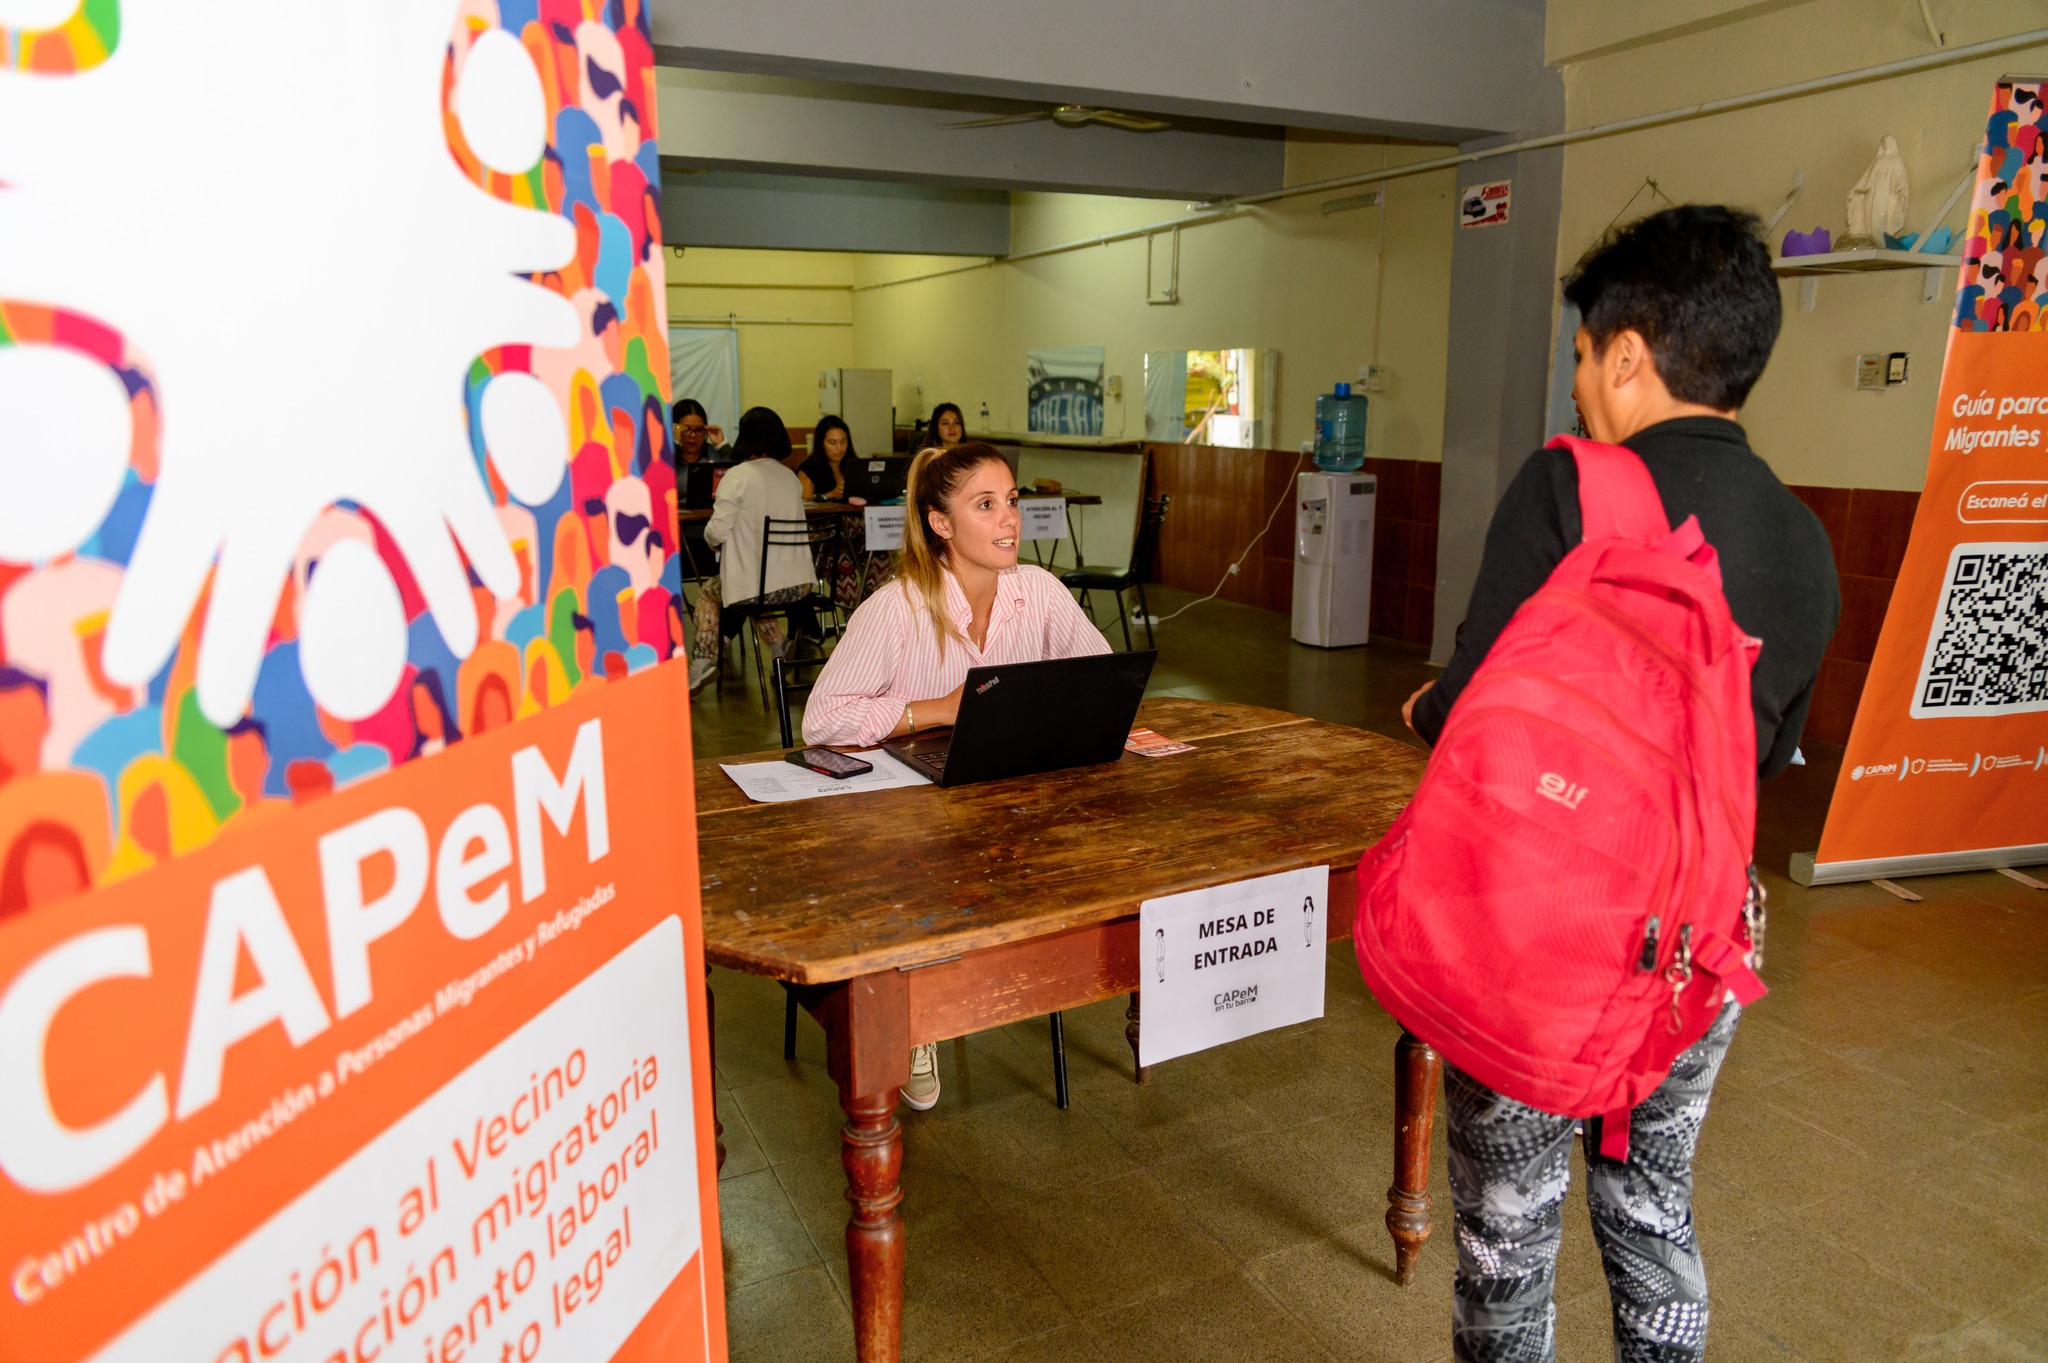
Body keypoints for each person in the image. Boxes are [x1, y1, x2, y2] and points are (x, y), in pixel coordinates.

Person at [1404, 205, 1838, 1363]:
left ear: (1628, 354)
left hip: (1547, 933)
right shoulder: (1803, 540)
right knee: (1650, 1201)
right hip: (1697, 934)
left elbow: (1467, 715)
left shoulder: (1571, 492)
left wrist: (1423, 707)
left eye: (1583, 356)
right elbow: (1763, 755)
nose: (1578, 383)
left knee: (1507, 1232)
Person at [804, 442, 1110, 1111]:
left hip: (1005, 804)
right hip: (912, 815)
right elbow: (822, 718)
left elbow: (1102, 677)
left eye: (1012, 501)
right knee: (927, 862)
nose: (1010, 520)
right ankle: (916, 1013)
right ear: (941, 524)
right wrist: (933, 710)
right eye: (986, 504)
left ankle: (1036, 969)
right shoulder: (898, 608)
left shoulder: (1040, 592)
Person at [689, 407, 818, 696]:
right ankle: (777, 645)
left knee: (710, 593)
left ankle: (698, 668)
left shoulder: (736, 477)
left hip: (758, 588)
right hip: (798, 587)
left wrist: (711, 538)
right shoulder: (790, 478)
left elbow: (717, 530)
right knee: (757, 589)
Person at [796, 415, 870, 504]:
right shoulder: (808, 471)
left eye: (843, 442)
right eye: (832, 442)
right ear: (821, 444)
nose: (839, 448)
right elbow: (805, 507)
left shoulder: (854, 465)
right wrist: (830, 495)